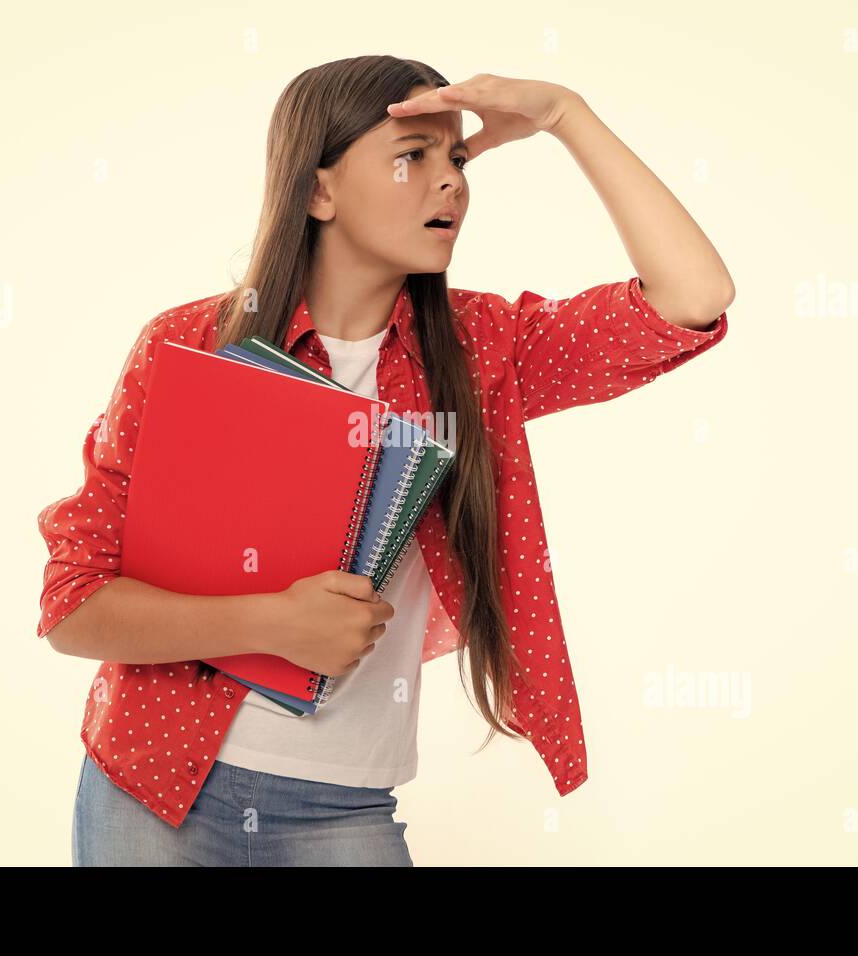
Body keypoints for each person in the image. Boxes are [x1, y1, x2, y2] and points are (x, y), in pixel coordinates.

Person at [37, 55, 733, 866]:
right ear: (317, 191)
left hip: (346, 814)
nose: (451, 184)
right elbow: (74, 605)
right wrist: (271, 624)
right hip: (151, 791)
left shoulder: (481, 352)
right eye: (413, 157)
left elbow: (692, 297)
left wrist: (565, 115)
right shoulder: (190, 346)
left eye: (458, 160)